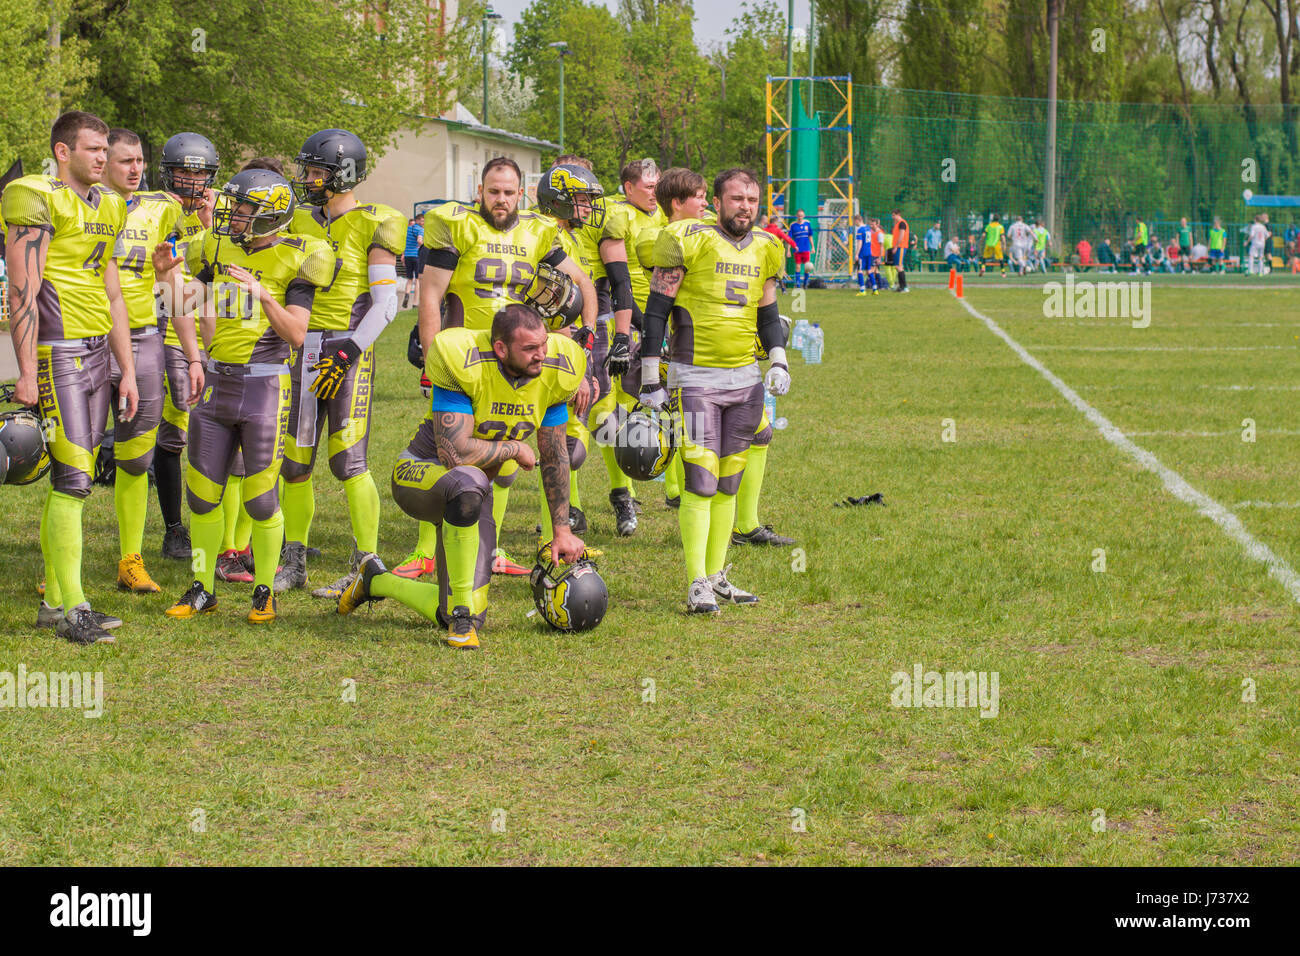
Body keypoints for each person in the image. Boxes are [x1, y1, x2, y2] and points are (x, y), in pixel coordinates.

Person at [338, 302, 593, 650]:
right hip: (423, 473)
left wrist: (561, 530)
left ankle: (376, 581)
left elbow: (554, 455)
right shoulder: (464, 360)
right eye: (530, 349)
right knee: (469, 480)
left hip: (474, 494)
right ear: (501, 349)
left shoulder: (552, 370)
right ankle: (460, 616)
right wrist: (514, 449)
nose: (541, 356)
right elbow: (453, 453)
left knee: (474, 609)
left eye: (544, 345)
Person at [154, 167, 335, 623]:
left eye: (244, 209)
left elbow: (296, 334)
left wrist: (263, 295)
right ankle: (202, 586)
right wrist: (167, 278)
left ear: (271, 215)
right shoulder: (214, 245)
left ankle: (263, 590)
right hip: (215, 384)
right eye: (234, 208)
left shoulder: (301, 255)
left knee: (259, 498)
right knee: (202, 496)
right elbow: (178, 307)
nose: (233, 217)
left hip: (265, 387)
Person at [414, 156, 596, 575]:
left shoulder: (538, 231)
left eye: (508, 192)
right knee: (451, 456)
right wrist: (430, 360)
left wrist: (586, 343)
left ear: (522, 194)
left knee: (507, 462)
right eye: (493, 191)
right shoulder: (456, 224)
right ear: (480, 191)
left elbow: (583, 283)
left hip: (516, 362)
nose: (500, 199)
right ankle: (427, 550)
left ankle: (489, 548)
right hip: (465, 359)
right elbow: (430, 296)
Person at [3, 110, 139, 644]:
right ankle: (74, 608)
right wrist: (28, 371)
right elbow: (22, 291)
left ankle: (55, 604)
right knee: (75, 480)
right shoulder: (34, 197)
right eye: (92, 149)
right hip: (58, 353)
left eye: (107, 149)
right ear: (63, 152)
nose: (103, 158)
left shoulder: (109, 205)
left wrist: (127, 369)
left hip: (99, 350)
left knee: (72, 483)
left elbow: (113, 292)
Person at [640, 167, 789, 612]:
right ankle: (696, 581)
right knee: (701, 481)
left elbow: (768, 312)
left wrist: (778, 357)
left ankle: (718, 575)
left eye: (752, 199)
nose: (745, 206)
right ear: (718, 201)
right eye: (736, 198)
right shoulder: (688, 237)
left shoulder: (766, 247)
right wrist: (651, 376)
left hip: (745, 380)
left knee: (728, 482)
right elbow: (656, 310)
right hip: (696, 377)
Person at [275, 129, 407, 598]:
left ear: (344, 175)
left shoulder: (376, 222)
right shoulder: (299, 222)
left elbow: (386, 305)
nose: (307, 179)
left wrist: (349, 353)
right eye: (308, 170)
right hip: (301, 346)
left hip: (349, 348)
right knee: (294, 462)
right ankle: (294, 559)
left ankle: (366, 561)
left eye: (316, 171)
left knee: (349, 460)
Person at [101, 127, 203, 595]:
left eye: (140, 160)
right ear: (101, 162)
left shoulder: (163, 211)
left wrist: (193, 354)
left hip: (144, 339)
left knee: (136, 458)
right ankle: (58, 561)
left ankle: (131, 558)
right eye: (126, 161)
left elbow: (175, 287)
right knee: (74, 460)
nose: (136, 169)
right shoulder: (78, 208)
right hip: (85, 337)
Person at [580, 158, 663, 539]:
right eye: (647, 185)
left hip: (627, 320)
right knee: (572, 420)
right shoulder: (609, 216)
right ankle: (574, 507)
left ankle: (631, 491)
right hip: (582, 324)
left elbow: (621, 281)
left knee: (613, 413)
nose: (654, 192)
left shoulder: (631, 217)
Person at [154, 132, 221, 563]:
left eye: (200, 174)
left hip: (216, 329)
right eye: (185, 172)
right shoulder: (158, 212)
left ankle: (222, 530)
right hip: (171, 331)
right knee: (174, 430)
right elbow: (168, 285)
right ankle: (174, 527)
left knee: (216, 430)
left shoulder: (220, 211)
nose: (193, 182)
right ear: (169, 173)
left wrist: (215, 222)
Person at [534, 159, 606, 538]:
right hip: (534, 353)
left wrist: (587, 338)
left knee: (566, 452)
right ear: (559, 201)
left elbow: (584, 290)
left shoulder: (570, 238)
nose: (589, 208)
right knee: (534, 454)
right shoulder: (540, 233)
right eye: (582, 200)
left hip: (566, 348)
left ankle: (555, 535)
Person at [401, 212, 424, 309]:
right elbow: (419, 240)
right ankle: (415, 303)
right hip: (416, 256)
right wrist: (423, 246)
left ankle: (406, 295)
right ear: (417, 220)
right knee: (417, 280)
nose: (423, 222)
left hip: (407, 256)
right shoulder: (420, 229)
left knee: (410, 279)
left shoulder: (407, 229)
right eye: (422, 221)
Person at [788, 208, 814, 288]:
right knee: (798, 266)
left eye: (802, 216)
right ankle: (798, 284)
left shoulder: (807, 224)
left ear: (804, 216)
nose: (800, 217)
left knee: (807, 267)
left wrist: (813, 247)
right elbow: (789, 238)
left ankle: (805, 283)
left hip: (806, 249)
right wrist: (788, 250)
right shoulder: (793, 225)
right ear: (796, 216)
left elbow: (810, 236)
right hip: (797, 249)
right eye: (799, 216)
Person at [890, 210, 911, 292]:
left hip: (901, 247)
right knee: (898, 266)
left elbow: (901, 235)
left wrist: (896, 246)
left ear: (898, 215)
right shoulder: (897, 224)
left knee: (899, 266)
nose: (893, 217)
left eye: (894, 215)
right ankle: (901, 286)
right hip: (898, 247)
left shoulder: (902, 223)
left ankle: (904, 287)